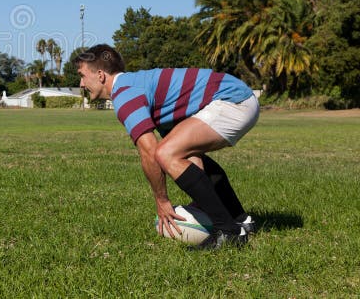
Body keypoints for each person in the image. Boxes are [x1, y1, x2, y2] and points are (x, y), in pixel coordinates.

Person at [74, 44, 259, 249]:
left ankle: (228, 231)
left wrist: (162, 201)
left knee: (165, 153)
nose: (81, 83)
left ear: (100, 75)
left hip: (233, 101)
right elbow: (190, 157)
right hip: (239, 97)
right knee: (177, 151)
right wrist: (202, 199)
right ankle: (240, 219)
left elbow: (150, 152)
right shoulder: (138, 85)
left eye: (82, 75)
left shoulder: (125, 94)